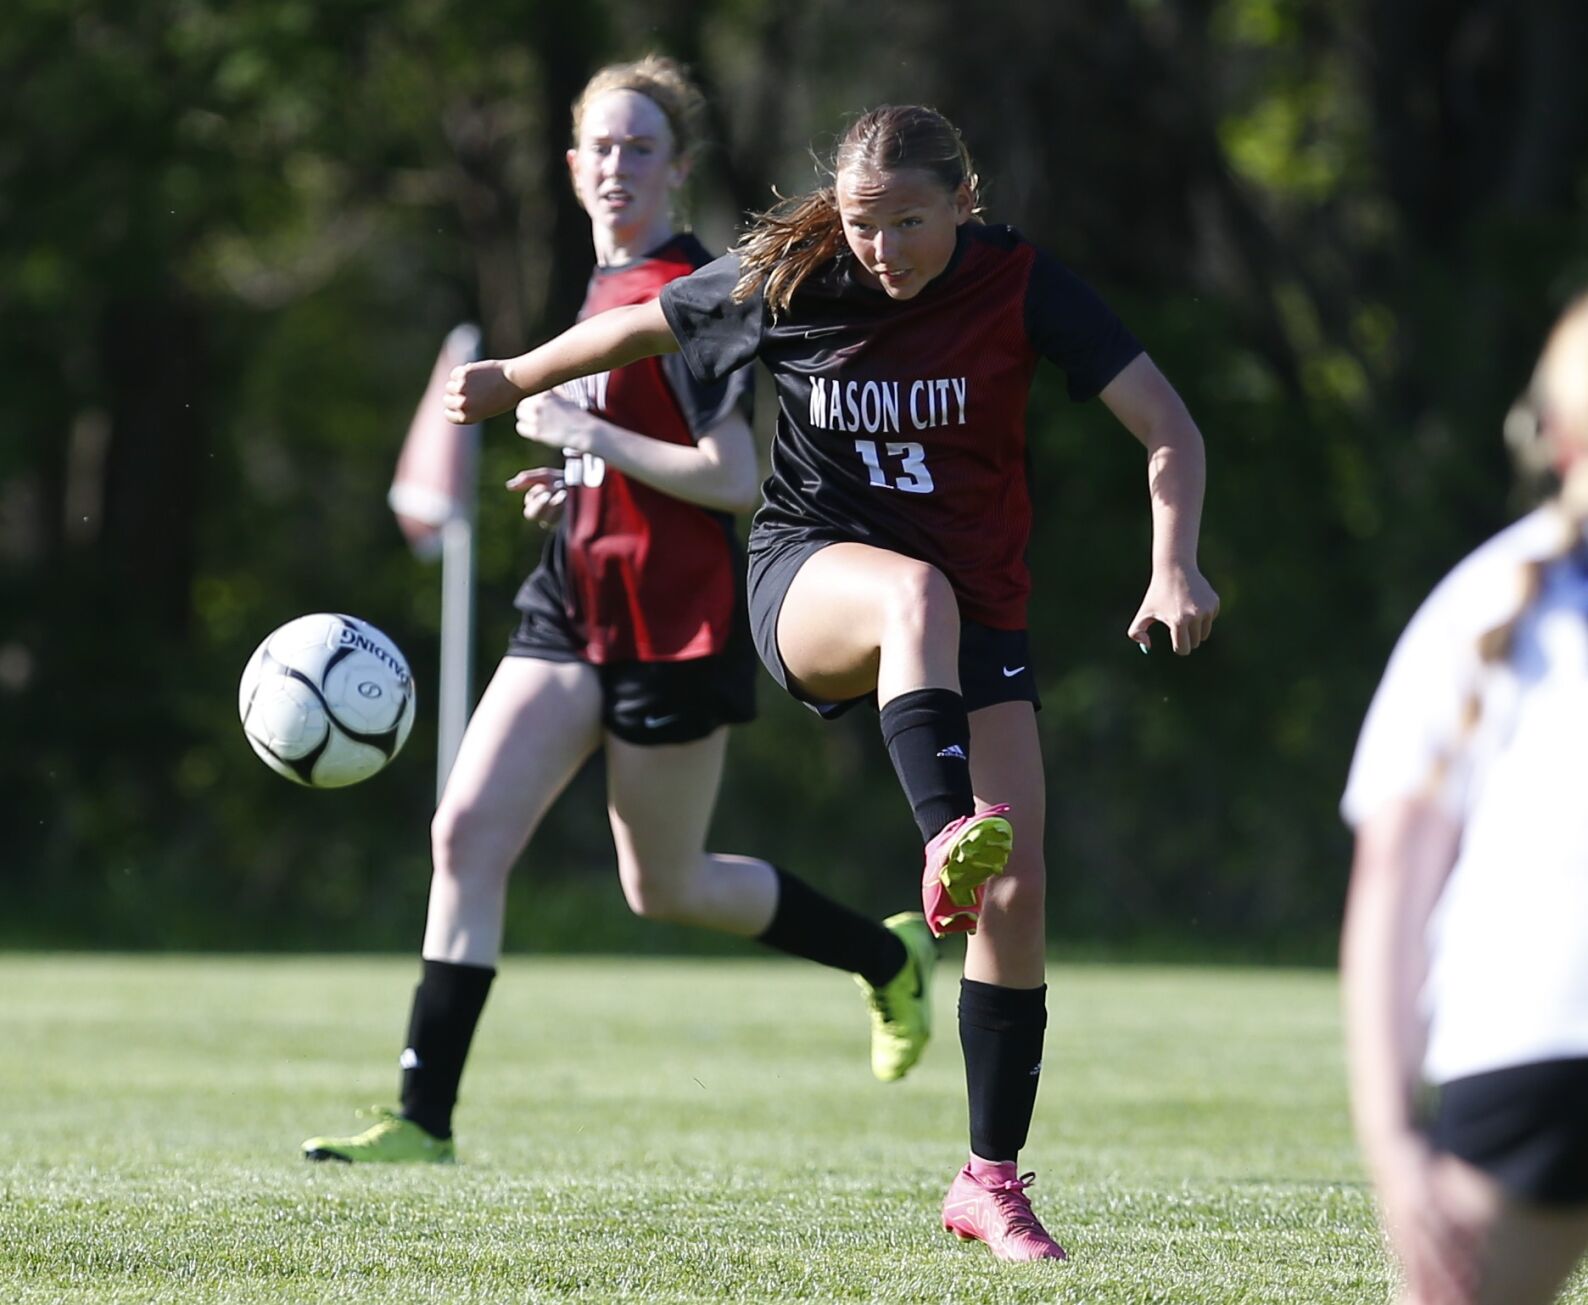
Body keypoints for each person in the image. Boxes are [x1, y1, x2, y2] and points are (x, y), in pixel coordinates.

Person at [446, 103, 1219, 1261]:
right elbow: (643, 332)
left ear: (964, 203)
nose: (884, 248)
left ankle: (988, 1181)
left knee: (1020, 892)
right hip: (813, 579)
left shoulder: (1020, 285)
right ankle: (942, 830)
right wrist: (516, 376)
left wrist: (1175, 566)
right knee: (914, 599)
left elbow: (1166, 427)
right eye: (865, 224)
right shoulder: (796, 273)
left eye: (910, 222)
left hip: (979, 606)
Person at [302, 57, 939, 1166]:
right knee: (464, 832)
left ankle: (883, 961)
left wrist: (590, 441)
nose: (615, 167)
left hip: (673, 620)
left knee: (667, 885)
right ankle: (422, 1118)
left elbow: (733, 475)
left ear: (676, 169)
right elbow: (620, 456)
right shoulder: (597, 289)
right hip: (570, 600)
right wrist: (575, 482)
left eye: (639, 147)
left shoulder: (693, 291)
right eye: (599, 146)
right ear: (570, 165)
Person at [1341, 296, 1588, 1305]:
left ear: (1549, 433)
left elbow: (1392, 881)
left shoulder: (1486, 598)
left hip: (1528, 1032)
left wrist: (1393, 1143)